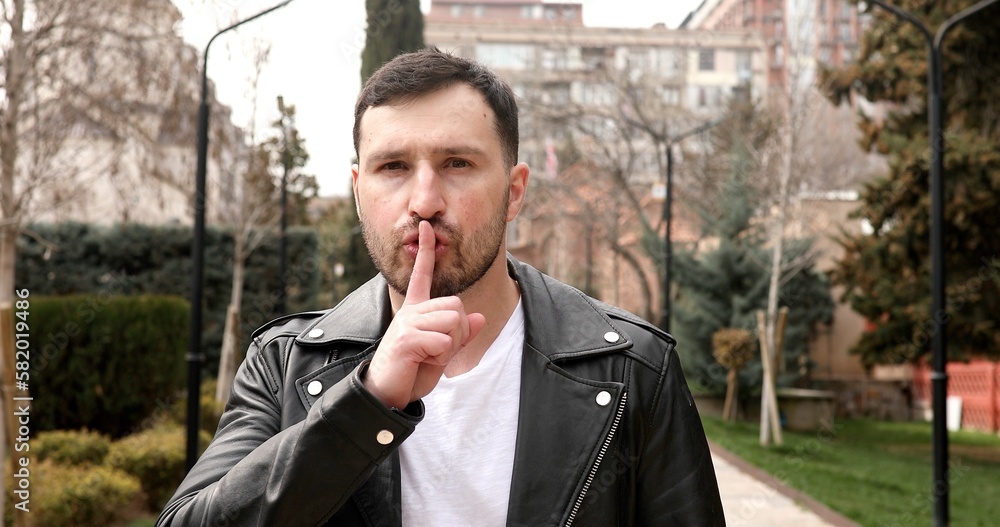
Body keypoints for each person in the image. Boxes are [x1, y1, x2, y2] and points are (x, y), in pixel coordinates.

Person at [158, 47, 725, 527]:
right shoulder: (285, 363)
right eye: (393, 167)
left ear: (515, 190)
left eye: (457, 163)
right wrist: (369, 401)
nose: (424, 201)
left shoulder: (635, 369)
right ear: (359, 191)